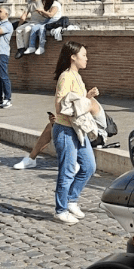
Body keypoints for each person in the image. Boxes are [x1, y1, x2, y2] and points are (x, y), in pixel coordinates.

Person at [51, 41, 99, 224]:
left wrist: (88, 97)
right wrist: (84, 104)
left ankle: (71, 199)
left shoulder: (77, 77)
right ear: (73, 57)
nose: (86, 58)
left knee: (89, 166)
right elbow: (59, 106)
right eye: (84, 55)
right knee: (68, 171)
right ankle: (61, 209)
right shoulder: (66, 77)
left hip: (78, 128)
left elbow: (76, 102)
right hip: (65, 129)